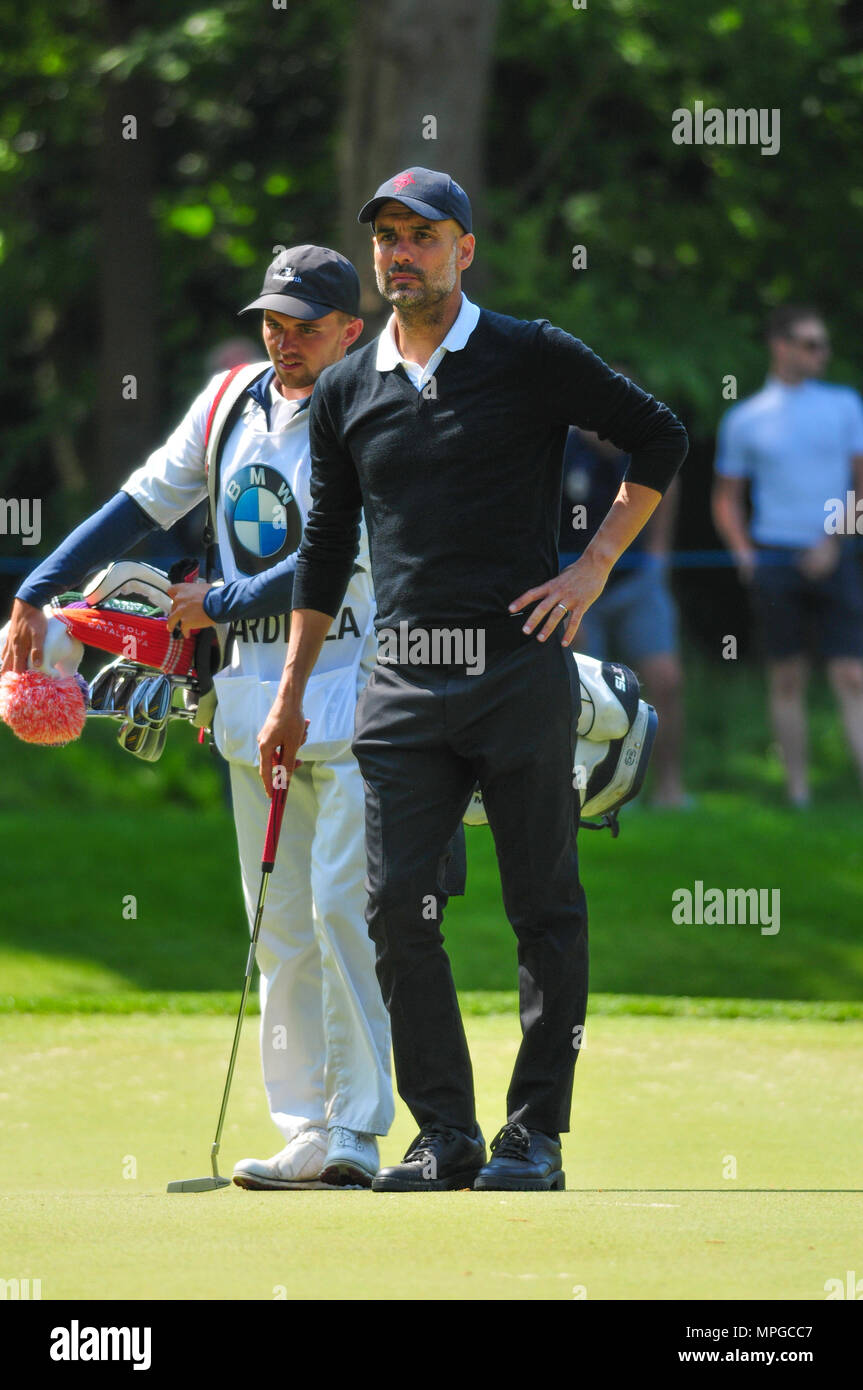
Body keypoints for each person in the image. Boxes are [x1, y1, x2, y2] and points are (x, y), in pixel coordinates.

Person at [257, 167, 689, 1192]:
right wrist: (287, 694)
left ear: (464, 249)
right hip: (398, 686)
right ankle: (443, 1132)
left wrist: (591, 567)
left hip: (515, 674)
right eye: (385, 238)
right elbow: (323, 547)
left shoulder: (528, 354)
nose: (398, 253)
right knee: (395, 906)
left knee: (542, 903)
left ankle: (532, 1134)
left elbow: (659, 433)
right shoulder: (348, 390)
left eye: (421, 234)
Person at [1, 245, 395, 1189]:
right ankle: (304, 1126)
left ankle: (358, 1131)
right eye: (272, 318)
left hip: (355, 700)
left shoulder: (380, 411)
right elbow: (140, 503)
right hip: (247, 708)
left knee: (345, 913)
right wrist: (38, 589)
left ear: (351, 329)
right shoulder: (227, 403)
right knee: (277, 926)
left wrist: (218, 602)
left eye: (305, 324)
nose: (283, 338)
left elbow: (337, 560)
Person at [713, 304, 863, 807]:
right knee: (787, 677)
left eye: (823, 343)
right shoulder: (745, 417)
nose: (821, 352)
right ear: (781, 345)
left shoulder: (844, 405)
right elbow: (726, 498)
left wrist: (833, 540)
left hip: (836, 553)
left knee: (852, 674)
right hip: (774, 558)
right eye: (810, 343)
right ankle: (799, 794)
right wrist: (744, 554)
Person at [559, 403, 688, 808]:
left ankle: (670, 790)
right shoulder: (556, 449)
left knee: (666, 680)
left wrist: (659, 555)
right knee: (582, 695)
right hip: (571, 585)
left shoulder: (644, 444)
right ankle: (590, 792)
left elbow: (670, 480)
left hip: (634, 580)